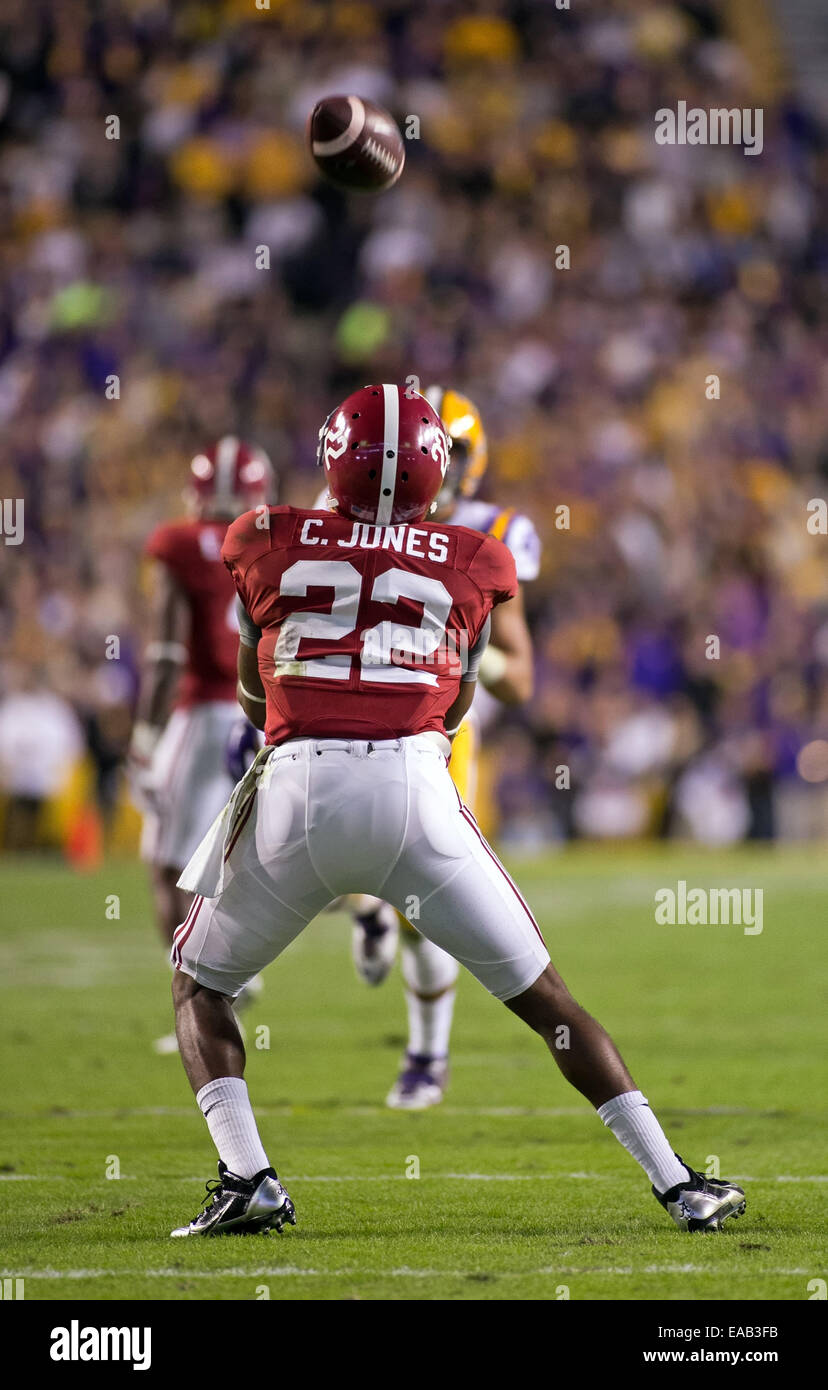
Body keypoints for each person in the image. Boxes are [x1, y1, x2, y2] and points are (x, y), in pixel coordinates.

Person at [168, 384, 746, 1238]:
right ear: (438, 469)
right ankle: (678, 1183)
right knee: (545, 998)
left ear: (335, 460)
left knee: (199, 984)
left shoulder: (264, 537)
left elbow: (256, 687)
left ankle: (248, 1176)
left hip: (298, 785)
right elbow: (462, 699)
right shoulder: (472, 556)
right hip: (414, 789)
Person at [347, 386, 540, 1109]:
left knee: (425, 896)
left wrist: (467, 649)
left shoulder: (496, 534)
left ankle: (427, 1053)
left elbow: (518, 677)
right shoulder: (354, 518)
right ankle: (362, 908)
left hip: (440, 729)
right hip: (348, 708)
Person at [129, 437, 274, 1052]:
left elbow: (165, 655)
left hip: (202, 717)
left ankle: (204, 1000)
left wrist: (143, 734)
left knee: (170, 863)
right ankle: (238, 967)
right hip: (260, 715)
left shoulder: (179, 544)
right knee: (235, 856)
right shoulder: (270, 542)